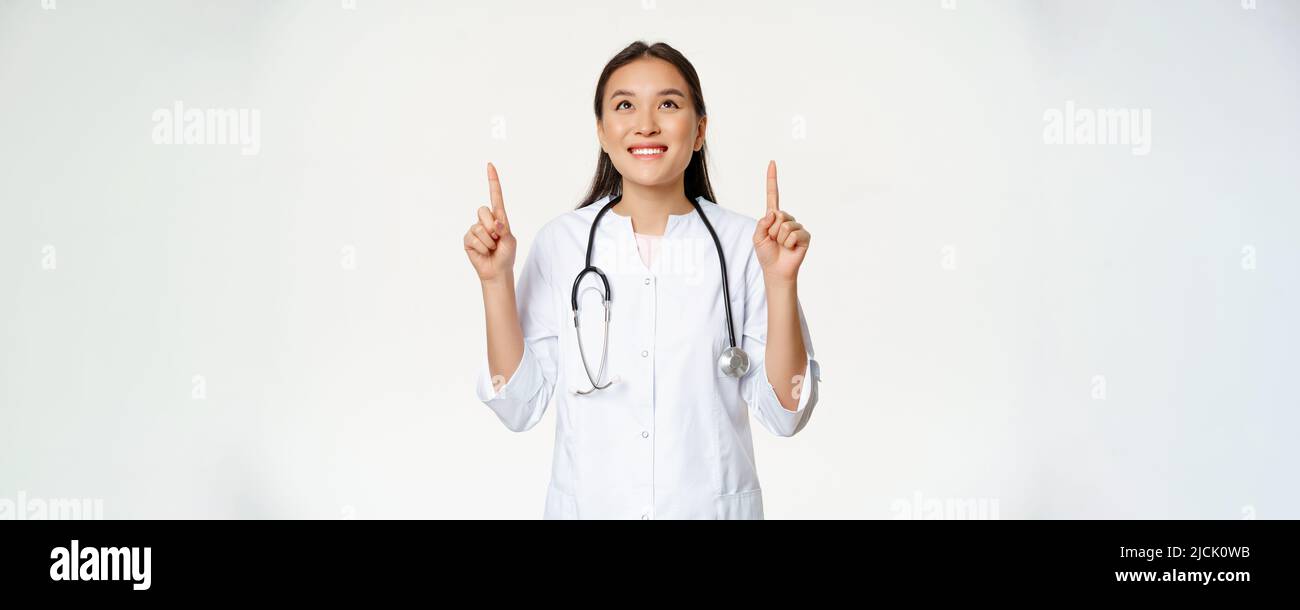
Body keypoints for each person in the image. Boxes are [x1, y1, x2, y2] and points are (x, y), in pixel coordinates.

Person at [462, 41, 821, 519]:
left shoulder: (748, 245)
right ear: (602, 132)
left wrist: (780, 282)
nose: (646, 123)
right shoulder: (562, 244)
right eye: (625, 105)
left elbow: (786, 412)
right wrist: (495, 283)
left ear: (699, 131)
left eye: (668, 104)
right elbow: (518, 405)